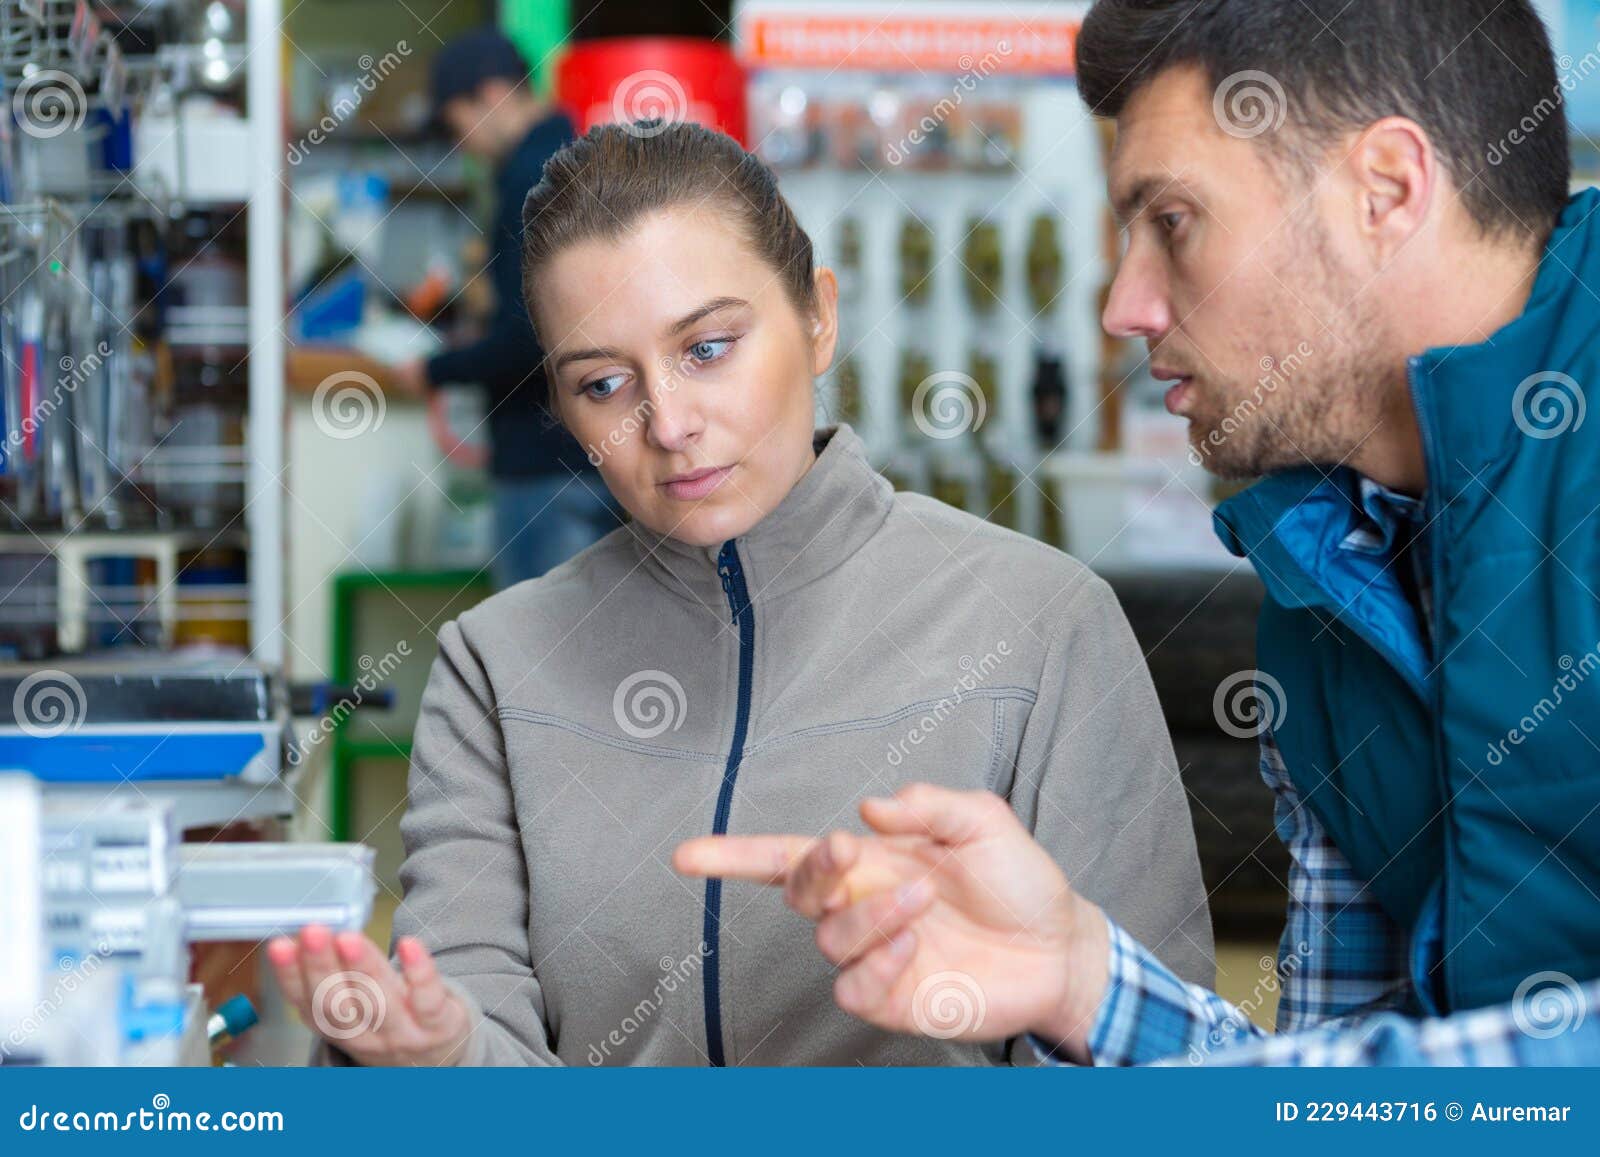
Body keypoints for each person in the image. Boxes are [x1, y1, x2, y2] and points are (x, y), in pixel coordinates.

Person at [675, 0, 1600, 1066]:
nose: (1123, 303)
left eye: (1171, 221)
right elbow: (1333, 1082)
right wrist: (1080, 978)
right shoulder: (1319, 583)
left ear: (1383, 190)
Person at [271, 121, 1213, 1067]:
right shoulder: (498, 663)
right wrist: (435, 1058)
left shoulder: (1042, 624)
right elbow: (485, 1045)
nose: (670, 423)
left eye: (710, 348)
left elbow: (1159, 1070)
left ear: (819, 320)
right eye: (602, 382)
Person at [391, 28, 620, 589]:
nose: (460, 141)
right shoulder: (580, 160)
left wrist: (433, 370)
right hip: (593, 454)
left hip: (543, 466)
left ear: (493, 94)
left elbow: (530, 338)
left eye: (456, 121)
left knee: (538, 663)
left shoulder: (529, 179)